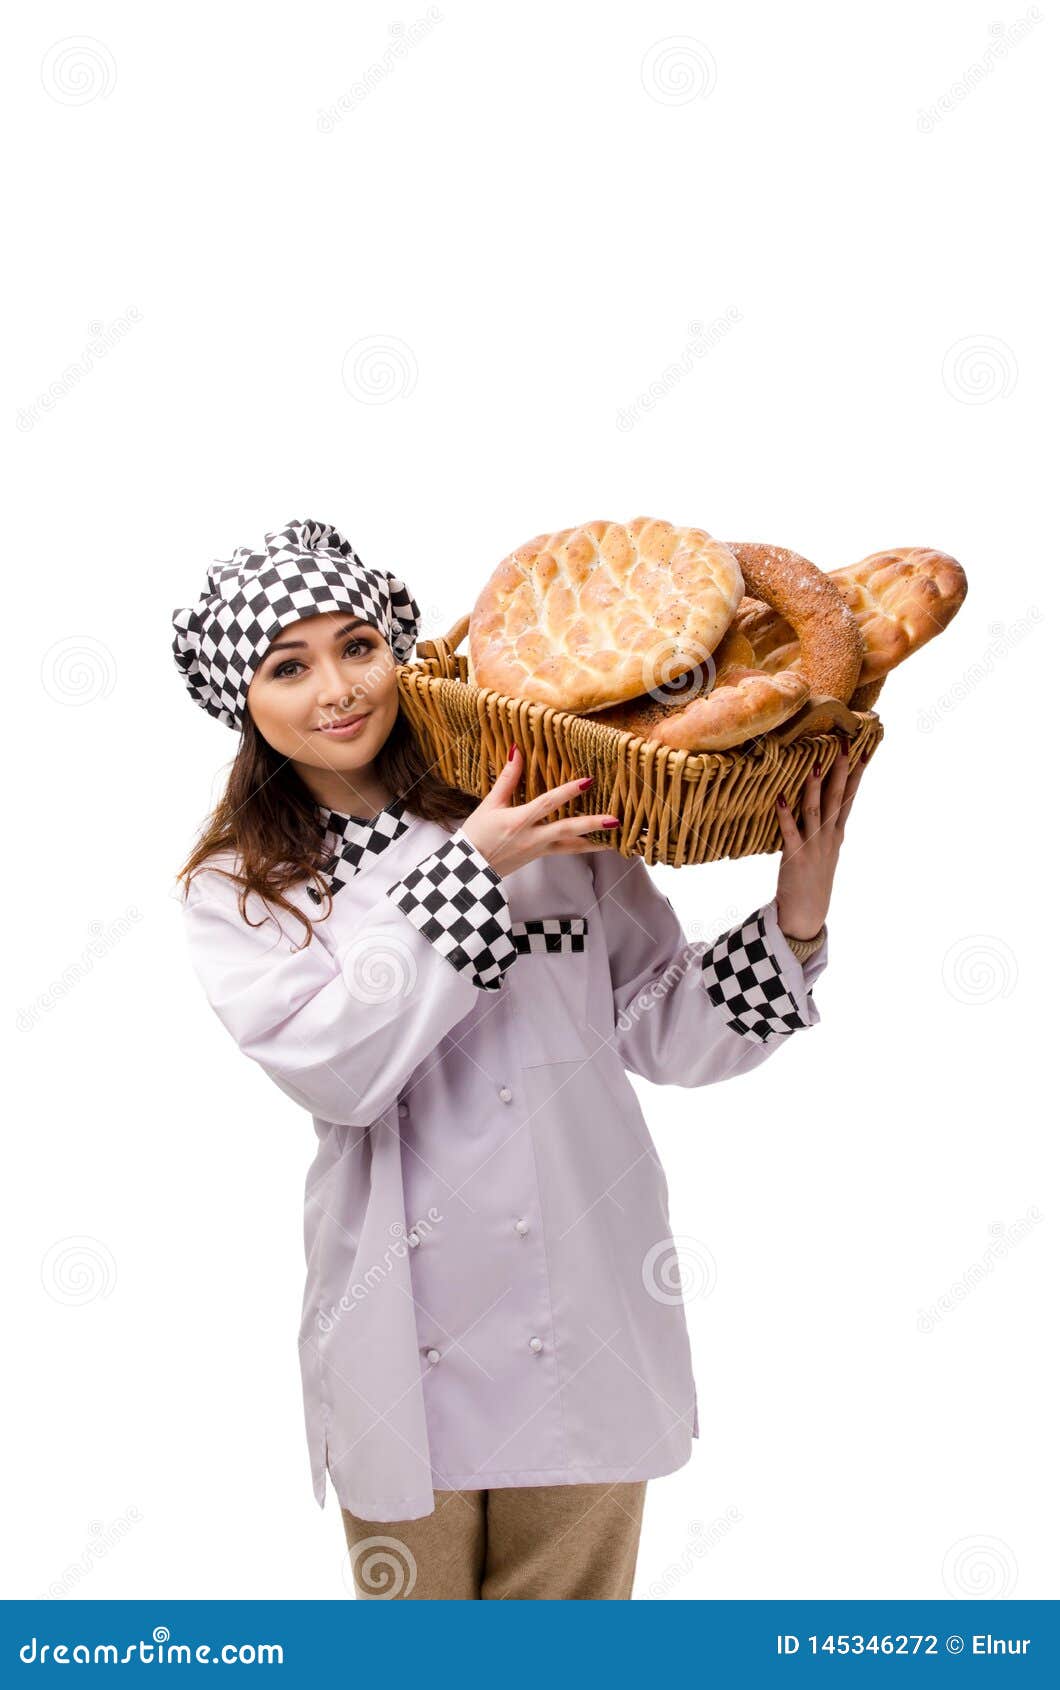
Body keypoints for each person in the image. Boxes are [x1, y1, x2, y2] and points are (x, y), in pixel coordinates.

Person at [171, 516, 867, 1600]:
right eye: (288, 667)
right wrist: (471, 872)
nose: (337, 688)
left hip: (581, 1305)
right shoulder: (240, 888)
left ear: (400, 651)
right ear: (243, 702)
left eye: (359, 646)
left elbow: (659, 1026)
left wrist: (796, 916)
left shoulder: (541, 803)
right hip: (401, 1332)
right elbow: (336, 1069)